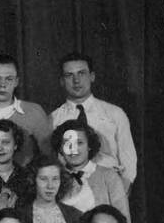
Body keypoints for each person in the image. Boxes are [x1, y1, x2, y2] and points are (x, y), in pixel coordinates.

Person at [50, 51, 137, 190]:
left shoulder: (115, 113)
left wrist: (120, 194)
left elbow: (129, 159)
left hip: (109, 187)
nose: (76, 80)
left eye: (82, 73)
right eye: (69, 75)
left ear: (92, 76)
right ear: (61, 81)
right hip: (71, 191)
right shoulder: (54, 119)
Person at [53, 119, 131, 223]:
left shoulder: (108, 176)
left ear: (89, 146)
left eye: (79, 143)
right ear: (60, 148)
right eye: (67, 143)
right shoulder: (53, 178)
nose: (73, 149)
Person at [0, 53, 51, 167]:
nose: (2, 85)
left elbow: (49, 156)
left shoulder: (34, 112)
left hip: (24, 182)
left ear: (16, 81)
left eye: (9, 79)